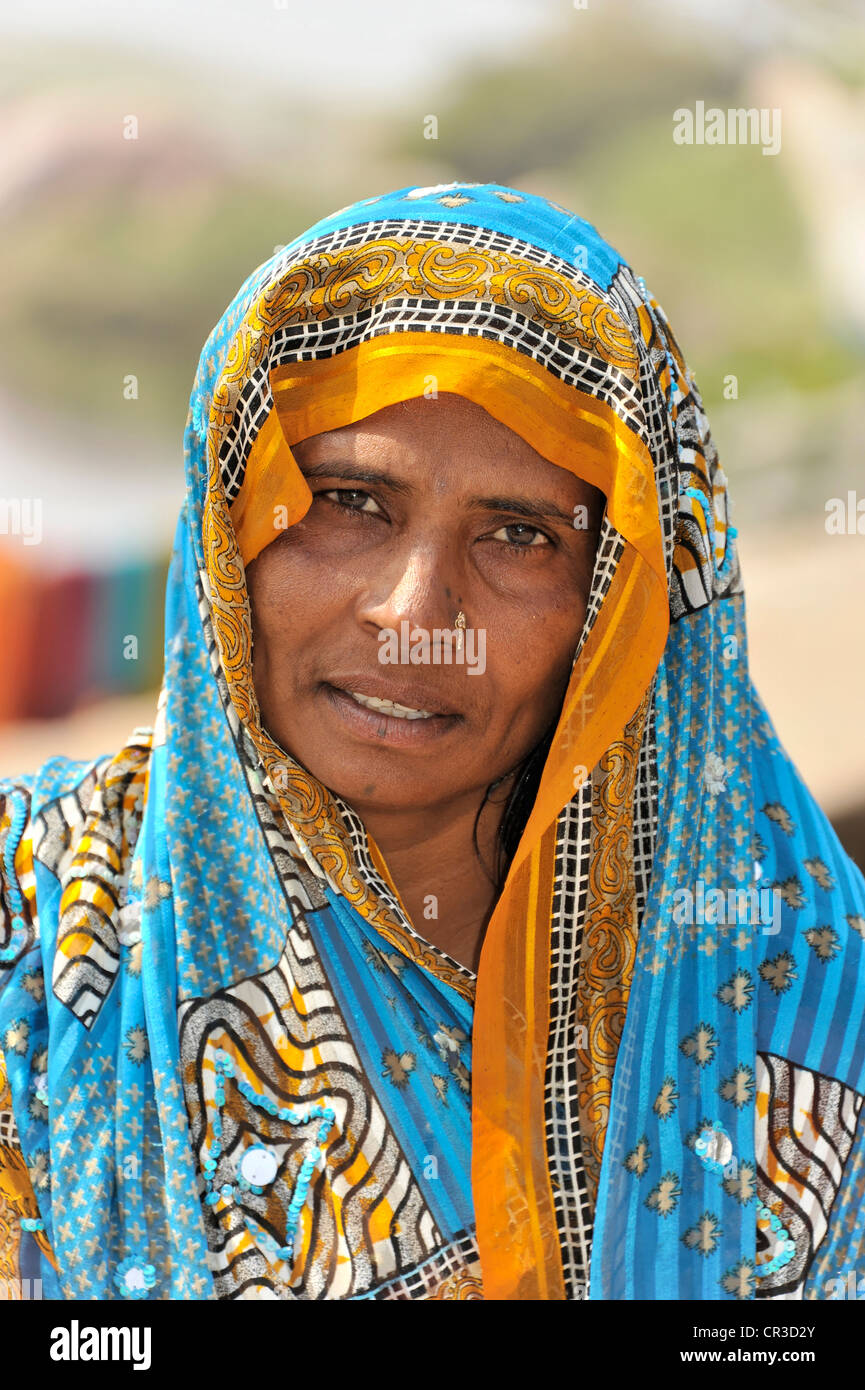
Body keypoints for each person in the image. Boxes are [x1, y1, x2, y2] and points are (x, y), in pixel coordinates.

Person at [1, 181, 863, 1302]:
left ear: (611, 605)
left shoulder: (799, 992)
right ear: (229, 527)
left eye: (519, 535)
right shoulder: (37, 930)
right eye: (349, 500)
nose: (414, 615)